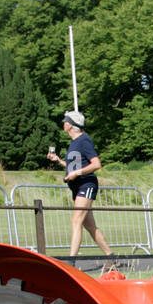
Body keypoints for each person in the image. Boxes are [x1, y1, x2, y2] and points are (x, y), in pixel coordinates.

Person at [47, 110, 113, 257]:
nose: (63, 123)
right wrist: (58, 161)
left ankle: (72, 261)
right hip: (77, 187)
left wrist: (76, 174)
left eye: (65, 121)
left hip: (86, 185)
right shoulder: (74, 143)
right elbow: (73, 168)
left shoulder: (84, 141)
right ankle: (112, 257)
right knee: (90, 226)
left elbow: (96, 164)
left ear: (70, 125)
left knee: (76, 221)